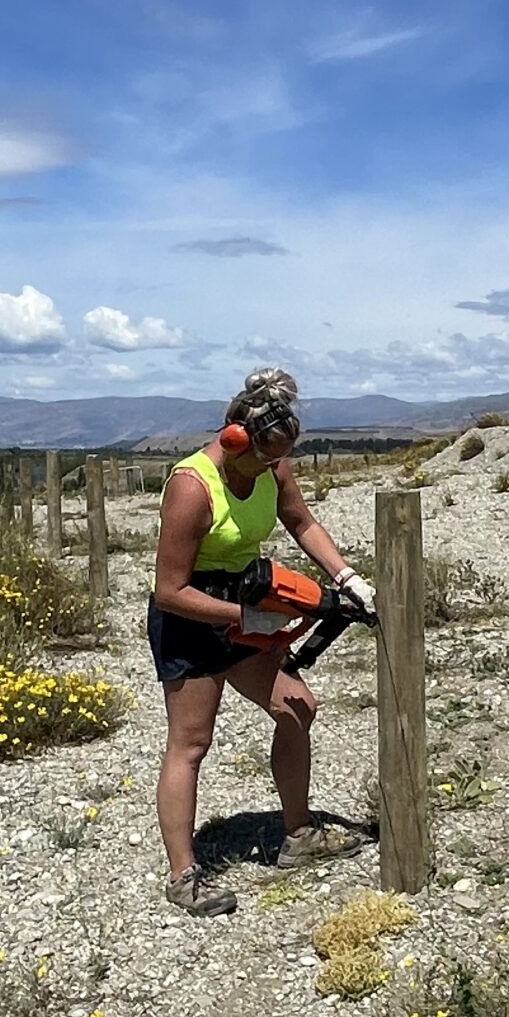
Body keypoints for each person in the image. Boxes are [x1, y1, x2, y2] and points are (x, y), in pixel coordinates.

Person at [148, 367, 376, 916]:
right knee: (192, 743)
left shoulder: (273, 464)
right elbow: (169, 590)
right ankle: (183, 875)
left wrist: (345, 576)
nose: (273, 468)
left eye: (280, 458)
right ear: (234, 437)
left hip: (247, 610)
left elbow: (301, 522)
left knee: (298, 708)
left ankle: (296, 835)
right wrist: (248, 619)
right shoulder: (192, 486)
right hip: (193, 618)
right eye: (265, 457)